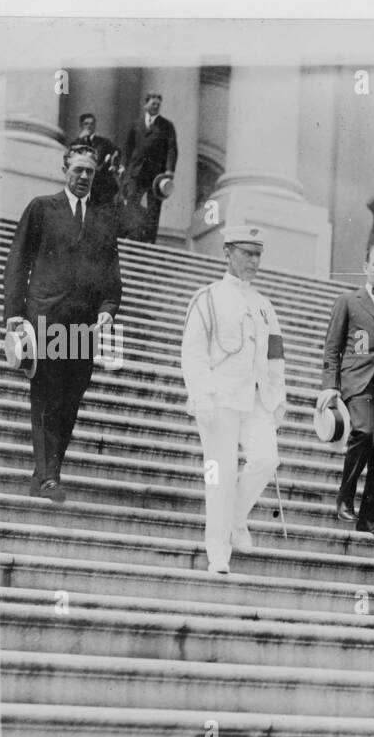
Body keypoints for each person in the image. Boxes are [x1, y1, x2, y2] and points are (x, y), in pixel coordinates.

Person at [1, 143, 123, 504]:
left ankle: (45, 475)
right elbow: (17, 263)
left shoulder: (103, 221)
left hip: (83, 328)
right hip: (45, 320)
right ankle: (50, 476)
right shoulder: (42, 208)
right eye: (78, 170)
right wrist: (14, 315)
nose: (84, 177)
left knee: (70, 401)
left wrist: (108, 309)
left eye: (90, 171)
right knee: (45, 397)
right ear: (64, 169)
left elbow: (112, 279)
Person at [180, 225, 288, 574]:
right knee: (219, 477)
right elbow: (193, 353)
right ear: (227, 253)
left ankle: (237, 518)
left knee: (266, 459)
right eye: (246, 253)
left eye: (258, 254)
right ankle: (218, 554)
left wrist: (278, 398)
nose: (254, 261)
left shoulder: (264, 306)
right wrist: (201, 395)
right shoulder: (207, 298)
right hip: (219, 399)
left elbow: (275, 358)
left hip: (256, 401)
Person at [318, 244, 374, 533]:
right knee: (365, 433)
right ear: (366, 267)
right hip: (357, 382)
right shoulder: (348, 301)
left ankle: (369, 515)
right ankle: (345, 497)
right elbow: (332, 348)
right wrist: (329, 386)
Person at [119, 92, 177, 242]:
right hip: (136, 172)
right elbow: (127, 148)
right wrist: (123, 167)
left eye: (158, 104)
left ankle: (150, 241)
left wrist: (169, 170)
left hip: (156, 176)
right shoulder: (135, 125)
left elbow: (172, 148)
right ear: (145, 104)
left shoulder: (166, 126)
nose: (156, 106)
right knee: (131, 202)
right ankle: (131, 236)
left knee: (153, 208)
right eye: (153, 103)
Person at [70, 113, 120, 207]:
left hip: (100, 182)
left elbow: (117, 151)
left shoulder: (103, 142)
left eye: (92, 124)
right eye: (86, 124)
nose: (89, 126)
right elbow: (71, 154)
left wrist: (113, 164)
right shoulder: (77, 142)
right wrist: (80, 138)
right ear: (81, 126)